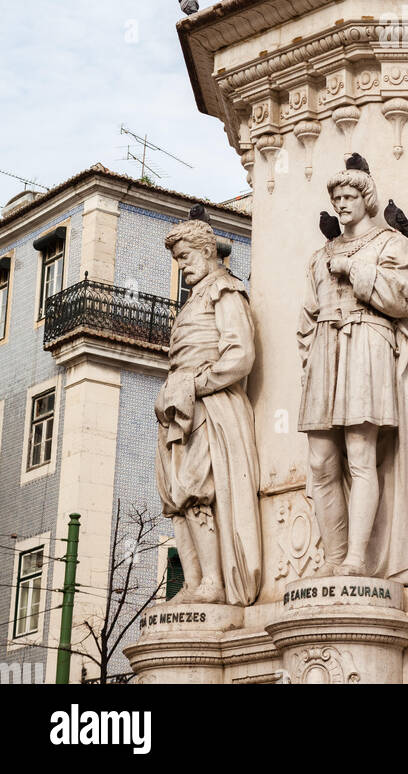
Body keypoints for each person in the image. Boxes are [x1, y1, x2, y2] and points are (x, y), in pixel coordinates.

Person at [298, 168, 408, 580]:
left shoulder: (391, 243)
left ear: (367, 200)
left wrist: (354, 271)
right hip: (325, 351)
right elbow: (306, 315)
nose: (341, 204)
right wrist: (310, 358)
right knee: (320, 462)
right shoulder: (320, 256)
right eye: (336, 199)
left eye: (349, 197)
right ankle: (333, 558)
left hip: (367, 347)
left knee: (360, 455)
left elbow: (404, 297)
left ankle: (356, 558)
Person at [155, 219, 261, 606]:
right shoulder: (193, 299)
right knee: (175, 499)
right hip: (179, 408)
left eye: (185, 257)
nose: (182, 266)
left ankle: (214, 582)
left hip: (208, 407)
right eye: (178, 260)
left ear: (206, 251)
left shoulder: (224, 290)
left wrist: (196, 385)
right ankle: (193, 581)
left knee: (197, 492)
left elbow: (240, 355)